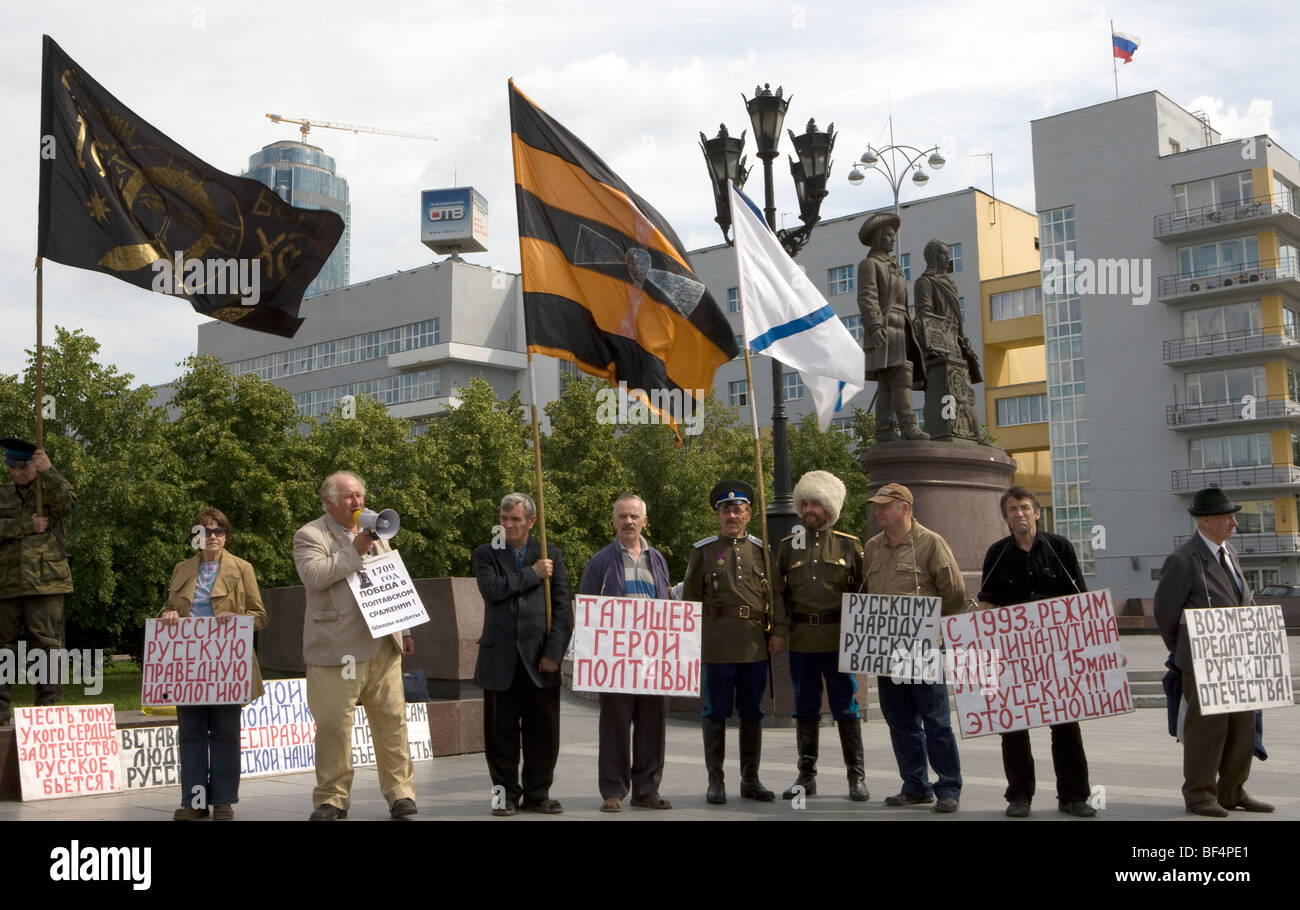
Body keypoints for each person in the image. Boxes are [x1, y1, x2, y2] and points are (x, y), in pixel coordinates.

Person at [294, 471, 417, 821]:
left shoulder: (378, 531)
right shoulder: (310, 535)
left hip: (382, 646)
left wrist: (404, 629)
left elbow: (392, 580)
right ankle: (332, 799)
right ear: (329, 501)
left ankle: (401, 794)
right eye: (349, 497)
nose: (358, 503)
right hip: (337, 650)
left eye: (360, 495)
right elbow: (314, 576)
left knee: (392, 722)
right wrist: (354, 549)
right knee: (334, 728)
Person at [1153, 488, 1273, 817]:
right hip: (1203, 661)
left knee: (1243, 726)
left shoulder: (1229, 552)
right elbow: (1165, 614)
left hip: (1240, 660)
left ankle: (1232, 790)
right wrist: (1186, 655)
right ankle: (1200, 795)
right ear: (1206, 520)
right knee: (1207, 730)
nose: (1235, 522)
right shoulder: (1182, 560)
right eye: (1228, 517)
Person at [977, 487, 1095, 818]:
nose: (1019, 514)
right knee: (1013, 727)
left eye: (1025, 508)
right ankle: (1019, 796)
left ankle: (1073, 797)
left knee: (1067, 726)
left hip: (1056, 655)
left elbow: (1080, 602)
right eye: (1012, 509)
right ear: (1005, 517)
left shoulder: (1060, 549)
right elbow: (986, 603)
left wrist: (1100, 649)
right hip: (1013, 657)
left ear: (1037, 513)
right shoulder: (997, 553)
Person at [682, 480, 786, 805]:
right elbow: (691, 601)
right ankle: (716, 781)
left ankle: (750, 779)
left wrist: (779, 631)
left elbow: (776, 596)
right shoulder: (704, 551)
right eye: (725, 509)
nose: (732, 514)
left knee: (752, 713)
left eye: (738, 508)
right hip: (716, 646)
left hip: (754, 644)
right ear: (718, 515)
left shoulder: (762, 551)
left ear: (749, 513)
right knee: (715, 712)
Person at [863, 482, 964, 812]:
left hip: (920, 648)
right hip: (884, 651)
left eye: (884, 505)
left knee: (935, 720)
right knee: (900, 722)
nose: (877, 510)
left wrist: (927, 626)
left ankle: (948, 786)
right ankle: (915, 784)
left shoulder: (931, 543)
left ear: (904, 508)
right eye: (876, 505)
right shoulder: (873, 547)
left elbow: (954, 596)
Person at [161, 508, 268, 821]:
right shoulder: (181, 569)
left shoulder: (242, 568)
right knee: (191, 733)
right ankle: (194, 802)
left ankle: (223, 801)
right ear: (194, 536)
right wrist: (169, 613)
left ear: (226, 535)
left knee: (225, 732)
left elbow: (260, 616)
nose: (212, 537)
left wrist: (237, 619)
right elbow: (172, 606)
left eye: (218, 531)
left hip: (226, 662)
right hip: (187, 662)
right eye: (205, 531)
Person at [473, 492, 573, 816]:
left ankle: (538, 794)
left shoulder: (551, 554)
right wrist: (532, 574)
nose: (508, 524)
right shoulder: (486, 554)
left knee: (543, 732)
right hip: (499, 660)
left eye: (516, 519)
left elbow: (562, 611)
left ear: (531, 521)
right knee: (499, 735)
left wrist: (553, 654)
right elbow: (492, 591)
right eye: (504, 519)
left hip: (539, 661)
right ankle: (505, 797)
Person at [775, 470, 868, 801]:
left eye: (816, 503)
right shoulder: (788, 547)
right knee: (806, 709)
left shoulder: (849, 545)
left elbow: (862, 593)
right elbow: (778, 592)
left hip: (838, 640)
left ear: (829, 508)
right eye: (806, 503)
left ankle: (856, 777)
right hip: (801, 640)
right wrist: (781, 632)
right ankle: (806, 777)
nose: (810, 509)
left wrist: (859, 638)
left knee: (846, 709)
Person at [579, 493, 672, 812]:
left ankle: (647, 790)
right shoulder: (600, 561)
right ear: (614, 521)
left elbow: (668, 606)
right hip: (616, 660)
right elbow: (588, 610)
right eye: (622, 516)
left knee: (652, 725)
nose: (628, 521)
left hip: (652, 658)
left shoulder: (657, 558)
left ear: (645, 521)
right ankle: (613, 791)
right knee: (615, 725)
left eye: (634, 516)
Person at [0, 438, 75, 723]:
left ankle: (47, 712)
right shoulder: (3, 494)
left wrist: (50, 471)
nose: (18, 472)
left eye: (25, 466)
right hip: (5, 582)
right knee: (1, 649)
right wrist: (25, 526)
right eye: (13, 467)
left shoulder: (50, 490)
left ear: (36, 464)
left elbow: (69, 505)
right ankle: (0, 713)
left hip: (46, 582)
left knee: (46, 646)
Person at [856, 213, 928, 442]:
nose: (892, 240)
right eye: (888, 235)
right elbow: (868, 297)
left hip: (902, 326)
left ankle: (884, 430)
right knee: (900, 376)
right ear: (878, 238)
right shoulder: (870, 264)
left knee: (889, 380)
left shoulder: (894, 267)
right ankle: (907, 426)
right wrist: (875, 325)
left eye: (893, 236)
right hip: (886, 326)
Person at [914, 239, 985, 443]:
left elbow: (956, 319)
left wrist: (962, 340)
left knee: (965, 391)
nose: (949, 259)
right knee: (942, 389)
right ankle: (944, 430)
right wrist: (936, 341)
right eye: (945, 254)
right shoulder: (925, 282)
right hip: (939, 344)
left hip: (956, 342)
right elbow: (924, 313)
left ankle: (972, 433)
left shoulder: (949, 283)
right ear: (935, 257)